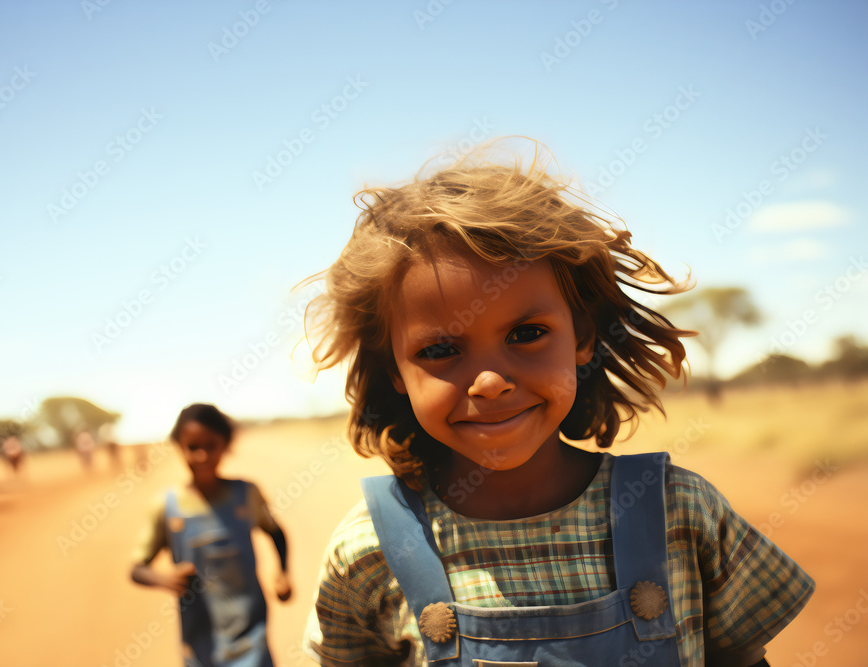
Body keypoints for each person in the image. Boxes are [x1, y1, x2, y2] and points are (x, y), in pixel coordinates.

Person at [302, 138, 814, 665]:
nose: (490, 382)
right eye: (439, 349)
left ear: (582, 337)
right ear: (396, 372)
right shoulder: (367, 551)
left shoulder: (679, 510)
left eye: (526, 333)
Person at [131, 403, 292, 667]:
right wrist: (163, 578)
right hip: (201, 643)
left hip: (251, 636)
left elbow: (276, 532)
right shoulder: (167, 506)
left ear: (226, 445)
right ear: (179, 447)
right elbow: (136, 569)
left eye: (211, 445)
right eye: (193, 447)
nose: (202, 456)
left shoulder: (247, 494)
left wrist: (283, 573)